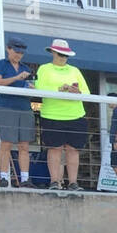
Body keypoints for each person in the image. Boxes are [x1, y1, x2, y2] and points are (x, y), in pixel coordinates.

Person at [34, 39, 90, 195]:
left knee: (73, 150)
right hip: (52, 114)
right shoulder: (44, 69)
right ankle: (54, 181)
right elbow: (39, 88)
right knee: (54, 149)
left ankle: (72, 182)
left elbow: (86, 92)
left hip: (75, 114)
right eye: (60, 54)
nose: (63, 57)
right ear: (52, 52)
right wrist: (59, 89)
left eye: (65, 55)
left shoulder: (75, 70)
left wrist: (75, 92)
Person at [0, 37, 35, 188]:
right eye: (16, 51)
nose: (19, 55)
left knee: (24, 145)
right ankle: (5, 176)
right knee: (6, 143)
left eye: (21, 52)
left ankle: (25, 178)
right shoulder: (0, 64)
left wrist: (31, 88)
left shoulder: (27, 68)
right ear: (8, 49)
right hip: (6, 106)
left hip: (25, 106)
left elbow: (31, 88)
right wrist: (17, 78)